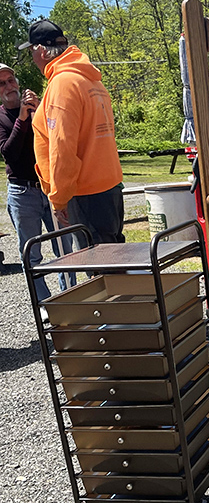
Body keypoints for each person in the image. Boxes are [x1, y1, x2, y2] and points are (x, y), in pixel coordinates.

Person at [22, 19, 125, 247]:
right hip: (108, 188)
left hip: (86, 194)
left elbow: (62, 148)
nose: (32, 58)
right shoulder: (90, 80)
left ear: (42, 50)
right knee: (116, 265)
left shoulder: (63, 84)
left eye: (31, 51)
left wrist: (59, 199)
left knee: (101, 274)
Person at [0, 62, 75, 303]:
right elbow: (9, 153)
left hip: (49, 187)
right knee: (31, 253)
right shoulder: (1, 117)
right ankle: (44, 304)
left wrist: (39, 110)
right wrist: (22, 119)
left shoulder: (38, 108)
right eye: (2, 84)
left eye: (11, 80)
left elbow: (56, 138)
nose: (9, 86)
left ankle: (69, 301)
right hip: (22, 192)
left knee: (64, 249)